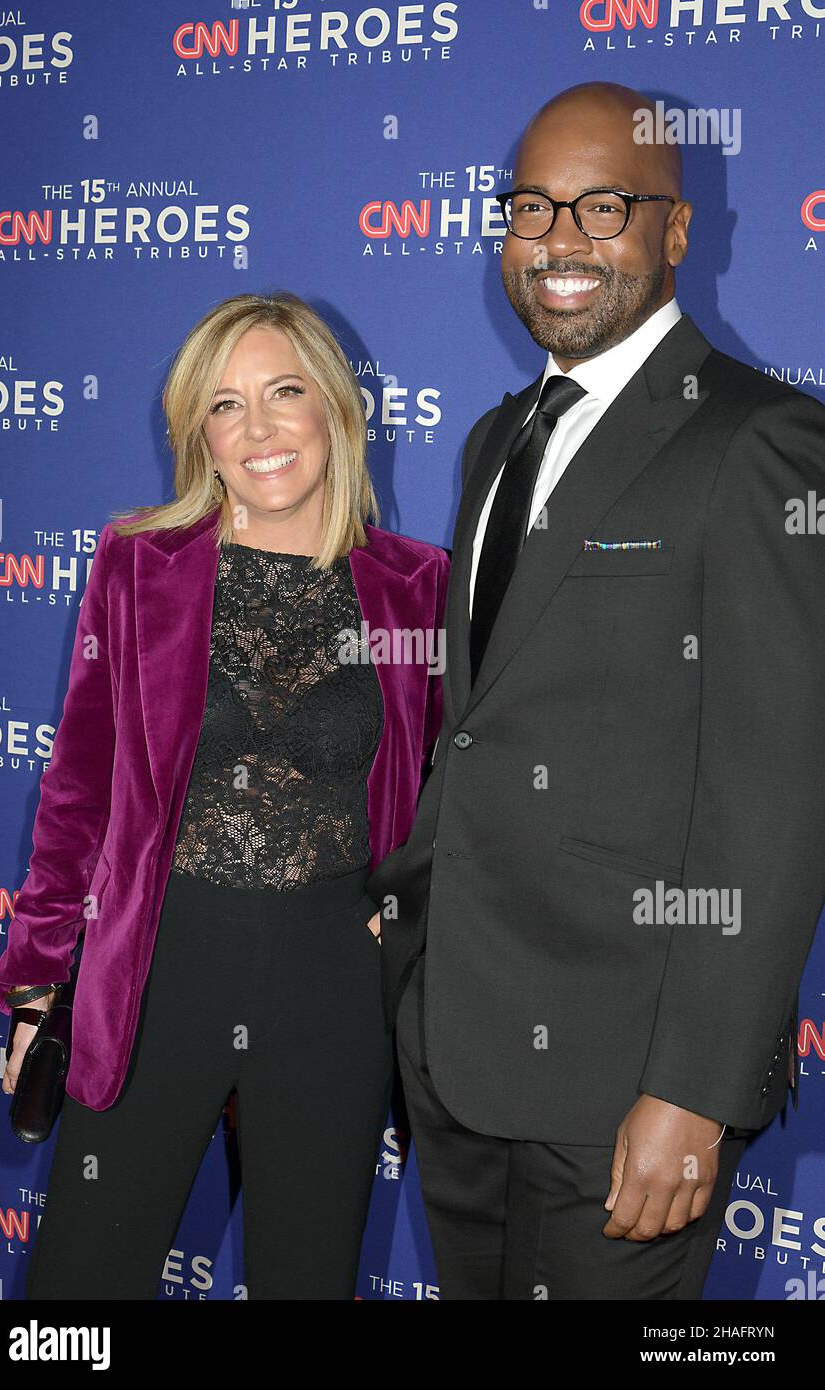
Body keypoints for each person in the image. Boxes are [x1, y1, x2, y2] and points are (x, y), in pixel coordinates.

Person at [365, 82, 825, 1300]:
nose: (557, 241)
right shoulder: (491, 436)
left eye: (602, 206)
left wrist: (693, 1087)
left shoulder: (761, 442)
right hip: (456, 1046)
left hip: (625, 1075)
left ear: (676, 232)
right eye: (530, 206)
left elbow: (778, 790)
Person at [0, 291, 450, 1301]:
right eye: (225, 405)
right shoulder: (137, 565)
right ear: (198, 431)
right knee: (77, 1290)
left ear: (333, 407)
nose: (259, 429)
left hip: (332, 982)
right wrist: (35, 979)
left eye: (283, 392)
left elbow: (455, 783)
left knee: (304, 1279)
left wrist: (407, 914)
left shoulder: (417, 587)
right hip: (155, 969)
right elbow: (78, 785)